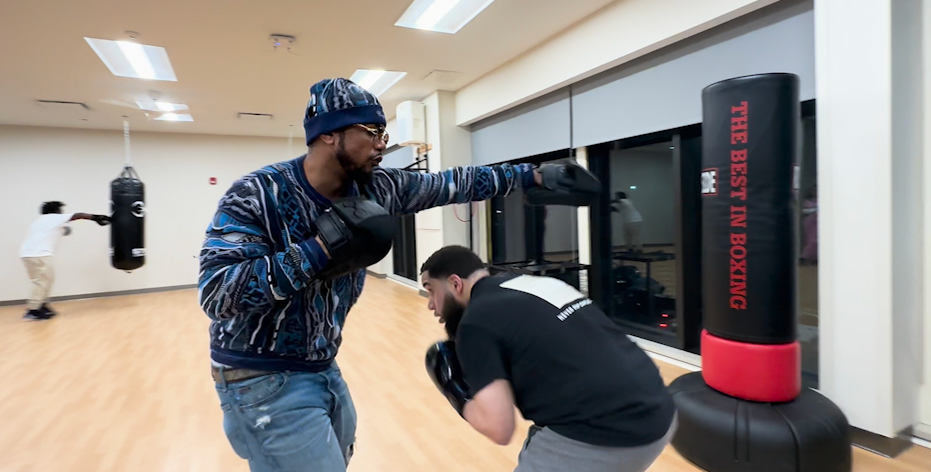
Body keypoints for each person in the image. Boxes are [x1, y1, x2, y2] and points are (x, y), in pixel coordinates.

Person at [198, 77, 600, 472]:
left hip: (320, 365)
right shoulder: (258, 194)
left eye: (384, 133)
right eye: (371, 132)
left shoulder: (377, 189)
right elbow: (217, 295)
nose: (381, 144)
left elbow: (449, 184)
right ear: (328, 135)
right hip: (259, 375)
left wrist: (531, 176)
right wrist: (318, 250)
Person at [421, 245, 677, 472]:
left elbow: (499, 427)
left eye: (431, 291)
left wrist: (453, 387)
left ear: (456, 284)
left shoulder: (475, 323)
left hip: (607, 431)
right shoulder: (532, 283)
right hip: (659, 406)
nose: (431, 304)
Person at [19, 201, 110, 320]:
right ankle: (33, 310)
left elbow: (62, 231)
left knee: (45, 281)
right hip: (40, 254)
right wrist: (95, 218)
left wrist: (65, 230)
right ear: (56, 211)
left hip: (28, 254)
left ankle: (42, 306)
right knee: (42, 282)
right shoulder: (54, 217)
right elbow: (78, 215)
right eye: (60, 210)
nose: (62, 213)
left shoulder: (39, 222)